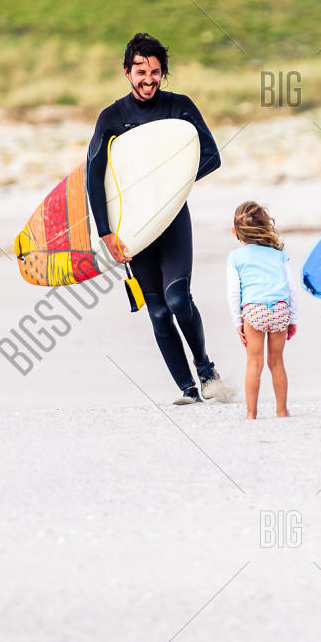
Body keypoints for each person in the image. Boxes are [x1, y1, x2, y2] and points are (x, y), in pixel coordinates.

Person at [85, 32, 226, 404]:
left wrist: (168, 188)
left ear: (163, 73)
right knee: (160, 313)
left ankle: (206, 367)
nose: (148, 79)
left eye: (155, 72)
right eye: (140, 71)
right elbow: (93, 177)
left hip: (172, 218)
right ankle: (188, 389)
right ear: (127, 72)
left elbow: (211, 156)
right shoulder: (112, 117)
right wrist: (106, 233)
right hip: (134, 229)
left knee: (178, 298)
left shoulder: (179, 107)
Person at [225, 201, 297, 419]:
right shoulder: (279, 253)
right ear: (265, 226)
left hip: (253, 311)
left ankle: (251, 413)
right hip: (279, 310)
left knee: (253, 364)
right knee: (276, 362)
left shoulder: (236, 257)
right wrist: (292, 318)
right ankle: (282, 410)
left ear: (235, 232)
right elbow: (291, 288)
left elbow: (233, 294)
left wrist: (238, 323)